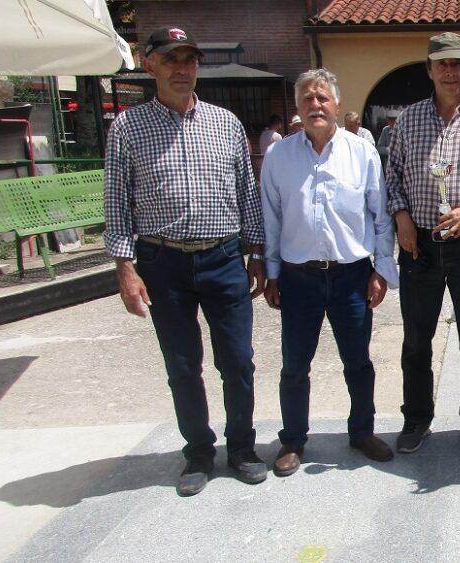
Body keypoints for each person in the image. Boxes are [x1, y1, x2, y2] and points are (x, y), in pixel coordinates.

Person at [103, 26, 267, 496]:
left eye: (189, 60)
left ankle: (241, 447)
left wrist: (255, 251)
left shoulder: (226, 123)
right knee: (182, 365)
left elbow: (246, 196)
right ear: (148, 63)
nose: (181, 68)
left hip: (222, 258)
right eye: (171, 59)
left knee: (238, 361)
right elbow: (116, 201)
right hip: (162, 262)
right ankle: (198, 451)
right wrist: (124, 265)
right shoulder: (127, 128)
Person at [261, 69, 398, 474]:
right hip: (297, 277)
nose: (315, 105)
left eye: (323, 98)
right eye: (307, 98)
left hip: (351, 276)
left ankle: (361, 431)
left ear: (337, 104)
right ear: (298, 108)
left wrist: (381, 270)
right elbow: (272, 217)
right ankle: (292, 440)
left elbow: (380, 215)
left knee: (357, 361)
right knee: (294, 364)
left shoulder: (362, 153)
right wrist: (271, 272)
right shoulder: (279, 156)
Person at [386, 32, 460, 455]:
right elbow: (392, 175)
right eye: (442, 64)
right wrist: (401, 218)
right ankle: (416, 418)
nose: (451, 72)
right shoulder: (408, 120)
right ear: (430, 69)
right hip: (419, 248)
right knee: (417, 341)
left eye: (458, 63)